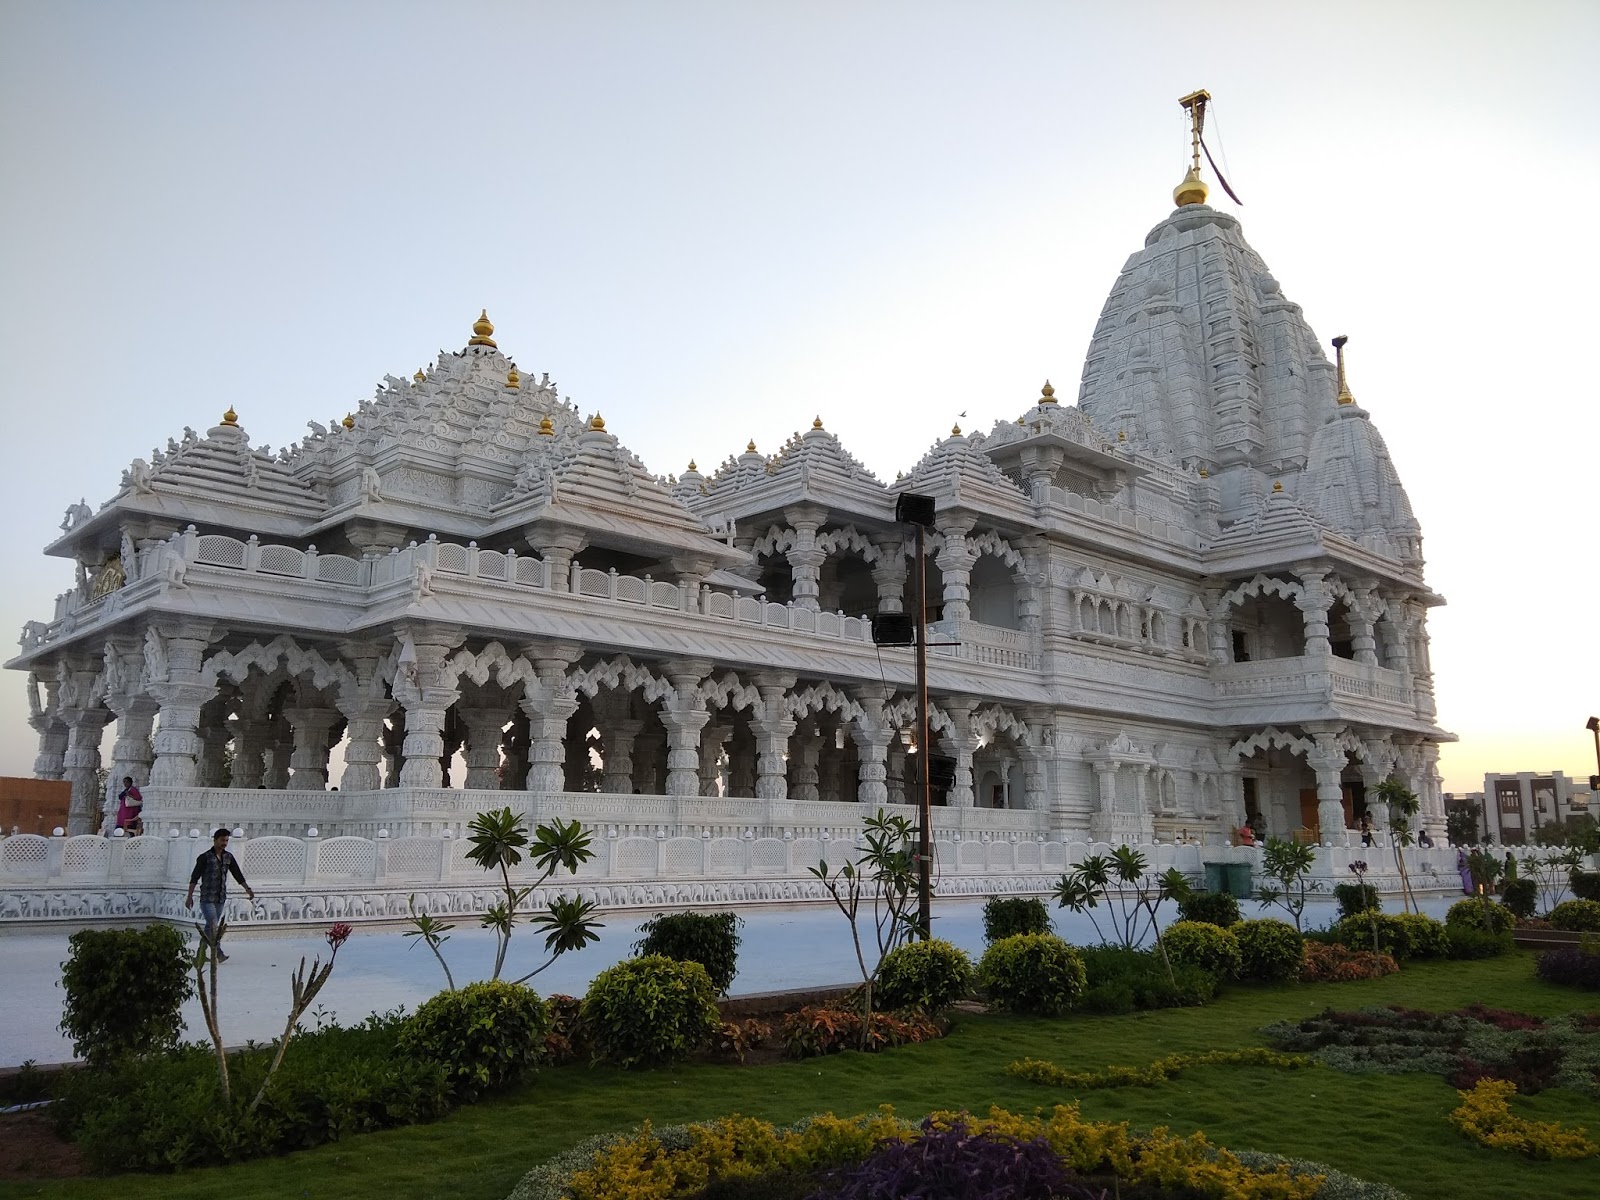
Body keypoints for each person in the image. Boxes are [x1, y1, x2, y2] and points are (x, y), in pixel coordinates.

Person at [185, 828, 254, 961]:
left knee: (210, 927)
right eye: (222, 840)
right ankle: (218, 952)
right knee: (213, 924)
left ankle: (201, 953)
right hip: (207, 897)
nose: (224, 843)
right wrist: (189, 897)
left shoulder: (228, 857)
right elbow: (194, 878)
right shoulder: (204, 857)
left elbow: (237, 874)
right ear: (215, 840)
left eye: (226, 840)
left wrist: (247, 889)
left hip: (220, 897)